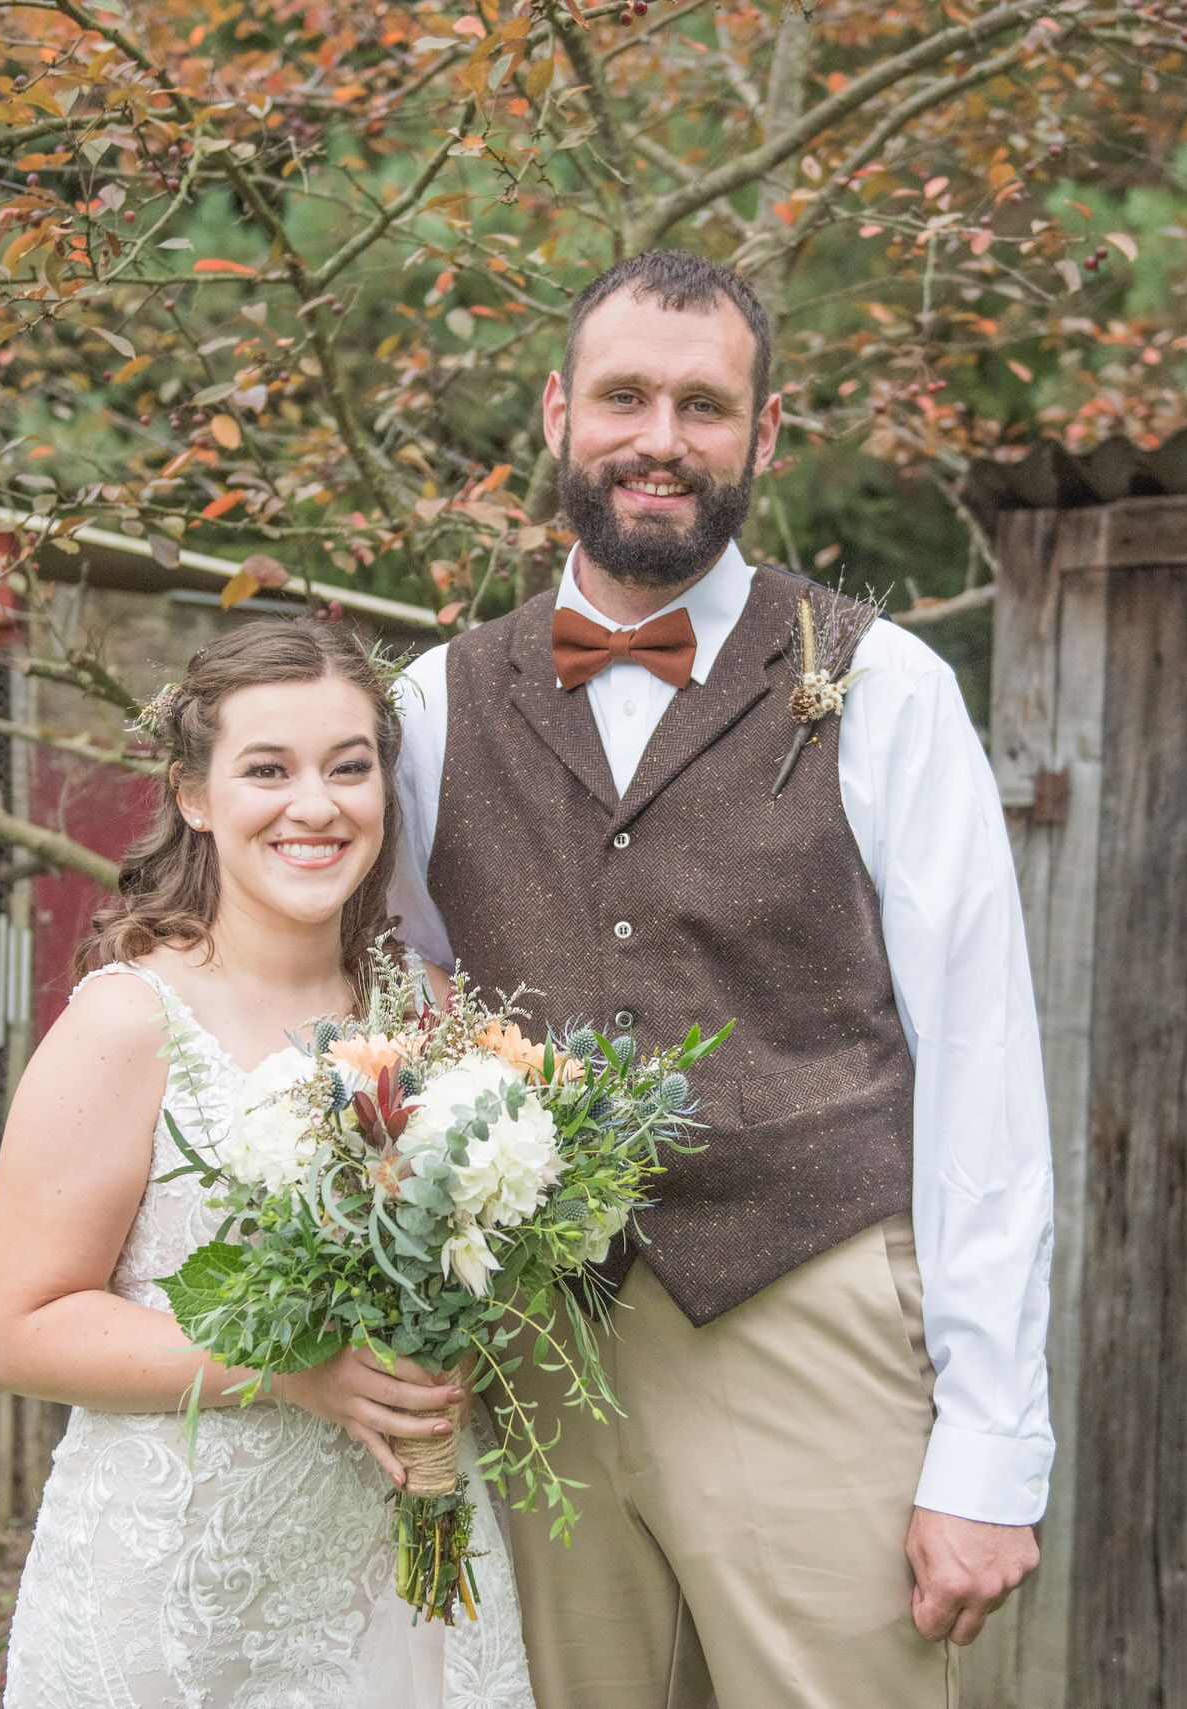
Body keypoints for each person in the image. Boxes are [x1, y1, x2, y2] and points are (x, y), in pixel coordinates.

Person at [389, 250, 1054, 1709]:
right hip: (534, 1355)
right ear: (558, 415)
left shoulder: (883, 685)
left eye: (704, 404)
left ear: (763, 439)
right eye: (624, 395)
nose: (659, 438)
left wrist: (992, 1447)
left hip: (808, 1310)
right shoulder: (432, 705)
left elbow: (983, 1066)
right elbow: (399, 1034)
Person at [0, 621, 534, 1709]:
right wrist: (291, 1371)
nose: (316, 805)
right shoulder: (129, 1021)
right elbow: (22, 1326)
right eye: (267, 769)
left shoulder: (428, 1014)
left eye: (349, 766)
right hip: (189, 1591)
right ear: (193, 794)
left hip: (400, 1582)